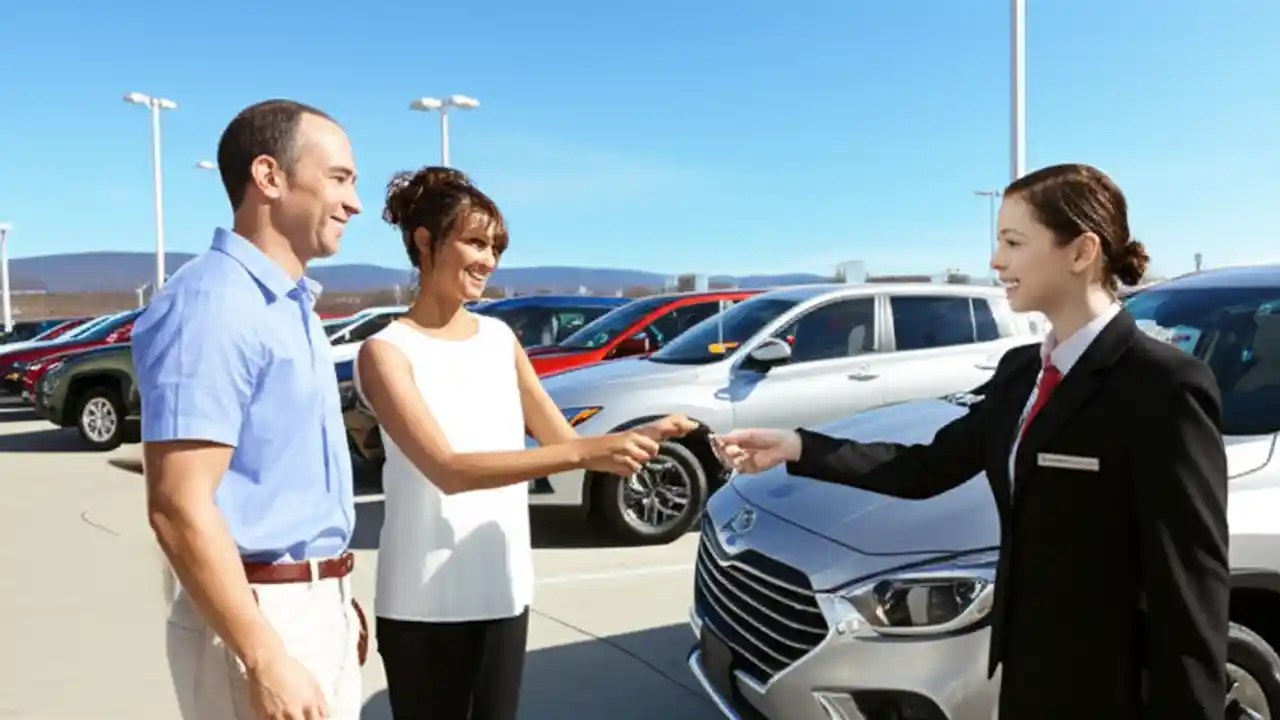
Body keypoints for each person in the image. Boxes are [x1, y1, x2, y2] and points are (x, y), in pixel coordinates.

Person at [714, 163, 1230, 720]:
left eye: (1013, 241)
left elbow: (1190, 591)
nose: (995, 261)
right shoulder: (1020, 373)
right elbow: (927, 469)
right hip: (1026, 674)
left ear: (1081, 252)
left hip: (1114, 689)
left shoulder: (1162, 387)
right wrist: (795, 446)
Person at [354, 166, 697, 720]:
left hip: (503, 586)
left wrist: (633, 442)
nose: (488, 259)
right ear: (424, 241)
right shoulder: (386, 351)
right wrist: (587, 452)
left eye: (495, 246)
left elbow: (562, 442)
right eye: (473, 241)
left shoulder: (499, 338)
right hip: (423, 599)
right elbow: (448, 469)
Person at [134, 99, 366, 720]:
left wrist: (334, 599)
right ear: (269, 177)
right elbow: (179, 506)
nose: (354, 203)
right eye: (339, 178)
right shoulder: (214, 305)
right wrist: (266, 656)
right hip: (261, 621)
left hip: (308, 609)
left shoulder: (289, 306)